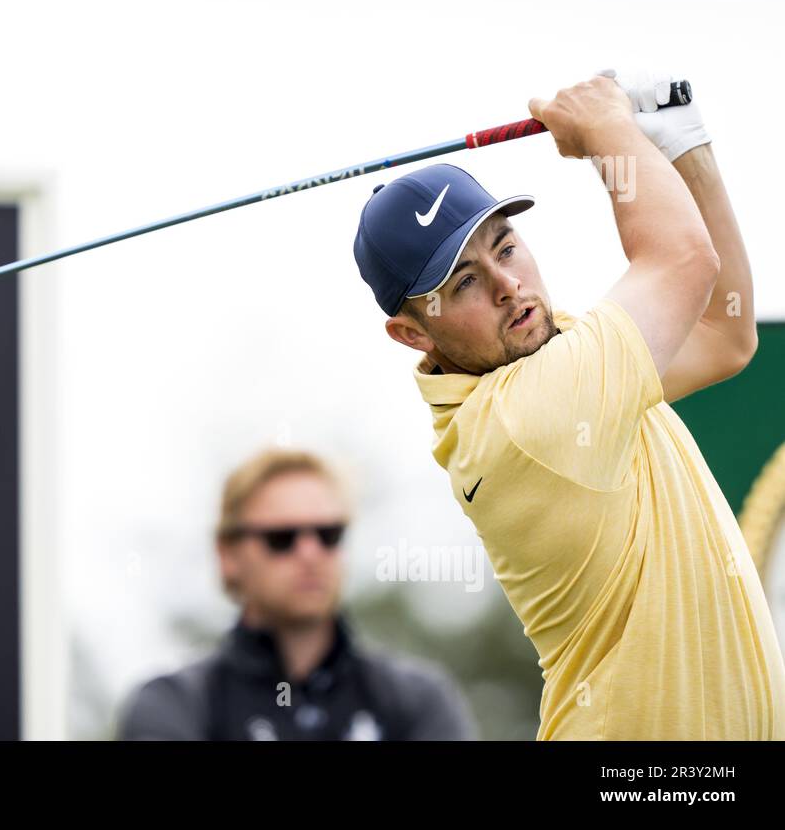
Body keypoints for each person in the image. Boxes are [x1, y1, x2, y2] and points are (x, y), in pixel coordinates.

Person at [352, 69, 785, 739]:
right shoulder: (529, 416)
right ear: (413, 333)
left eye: (506, 248)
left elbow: (723, 333)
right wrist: (606, 131)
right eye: (464, 281)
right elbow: (682, 262)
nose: (507, 285)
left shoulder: (565, 365)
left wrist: (679, 142)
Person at [117, 448, 476, 740]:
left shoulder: (417, 699)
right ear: (228, 555)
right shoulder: (175, 704)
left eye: (328, 534)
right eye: (282, 539)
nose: (310, 554)